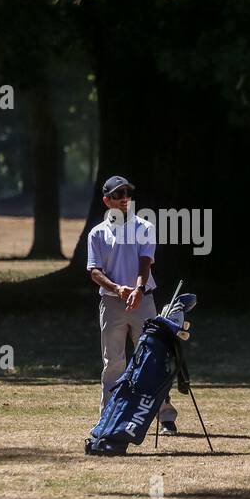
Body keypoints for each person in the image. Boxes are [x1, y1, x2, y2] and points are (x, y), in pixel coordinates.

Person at [86, 175, 178, 435]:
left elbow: (145, 262)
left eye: (127, 192)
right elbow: (94, 271)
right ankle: (108, 419)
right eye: (118, 194)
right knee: (113, 362)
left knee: (152, 359)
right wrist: (118, 289)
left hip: (143, 301)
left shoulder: (144, 227)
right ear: (107, 201)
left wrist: (137, 289)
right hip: (111, 303)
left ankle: (165, 416)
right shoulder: (97, 234)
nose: (125, 198)